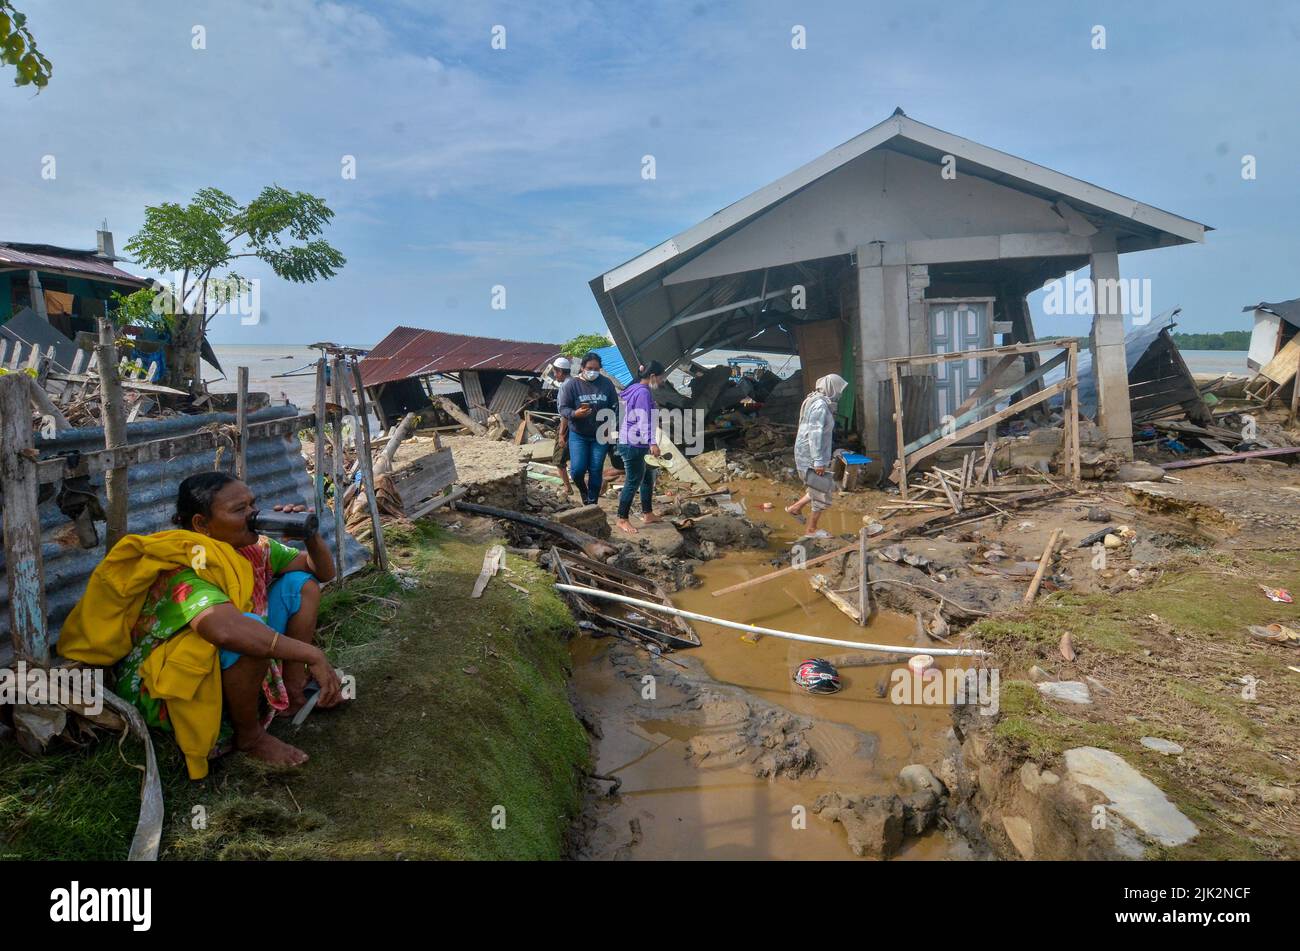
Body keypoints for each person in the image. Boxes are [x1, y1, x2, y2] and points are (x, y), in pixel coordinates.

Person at [58, 473, 343, 778]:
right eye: (238, 509)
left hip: (218, 657)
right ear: (201, 525)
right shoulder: (185, 563)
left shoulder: (254, 548)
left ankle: (293, 692)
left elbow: (322, 572)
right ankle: (251, 737)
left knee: (300, 585)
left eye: (252, 504)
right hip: (168, 682)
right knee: (247, 632)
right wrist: (312, 654)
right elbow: (224, 630)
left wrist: (310, 535)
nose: (252, 515)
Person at [785, 373, 848, 538]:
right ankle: (811, 530)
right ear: (831, 388)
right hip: (811, 457)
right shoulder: (820, 405)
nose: (840, 394)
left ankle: (795, 508)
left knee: (819, 487)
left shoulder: (814, 400)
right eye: (839, 390)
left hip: (807, 454)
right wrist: (818, 461)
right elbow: (815, 433)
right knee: (823, 493)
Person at [558, 350, 619, 505]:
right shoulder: (572, 385)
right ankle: (583, 491)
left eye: (596, 369)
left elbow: (615, 406)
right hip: (578, 434)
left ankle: (592, 502)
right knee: (577, 470)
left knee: (595, 469)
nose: (593, 372)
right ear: (582, 368)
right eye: (590, 368)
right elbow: (563, 409)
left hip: (600, 435)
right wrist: (575, 413)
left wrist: (611, 427)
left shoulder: (606, 383)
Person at [615, 361, 665, 534]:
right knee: (632, 481)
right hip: (633, 443)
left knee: (647, 478)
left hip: (635, 441)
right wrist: (652, 443)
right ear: (652, 376)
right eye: (660, 377)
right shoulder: (643, 392)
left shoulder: (636, 388)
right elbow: (643, 420)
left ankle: (648, 514)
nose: (662, 381)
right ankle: (622, 519)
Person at [547, 356, 575, 495]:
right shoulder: (575, 383)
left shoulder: (565, 387)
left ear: (560, 371)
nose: (555, 375)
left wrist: (561, 435)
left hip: (568, 425)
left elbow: (565, 413)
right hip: (578, 425)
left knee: (558, 460)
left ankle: (567, 488)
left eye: (555, 372)